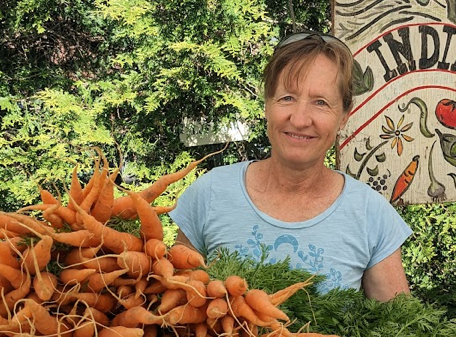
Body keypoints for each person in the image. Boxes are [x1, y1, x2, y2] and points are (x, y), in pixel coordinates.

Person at [170, 31, 412, 301]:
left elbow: (401, 329)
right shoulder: (210, 195)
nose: (299, 119)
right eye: (287, 98)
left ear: (344, 116)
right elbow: (176, 306)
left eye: (320, 102)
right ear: (267, 105)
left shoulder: (371, 214)